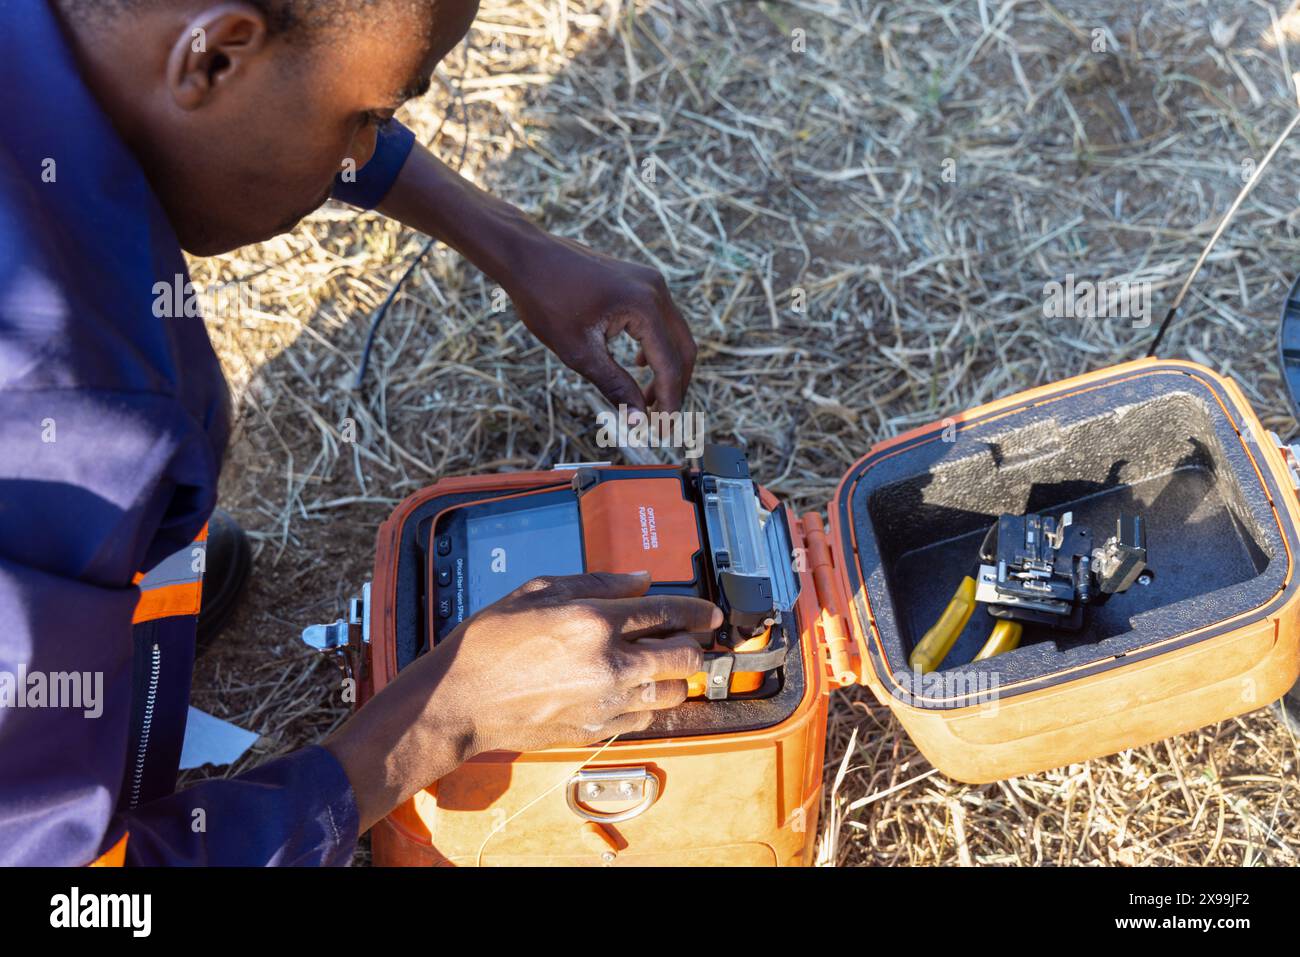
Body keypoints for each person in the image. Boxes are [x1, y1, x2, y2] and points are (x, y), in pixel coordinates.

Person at [0, 0, 716, 865]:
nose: (366, 150)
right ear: (217, 56)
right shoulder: (76, 409)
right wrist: (440, 719)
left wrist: (512, 243)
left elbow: (291, 82)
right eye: (371, 117)